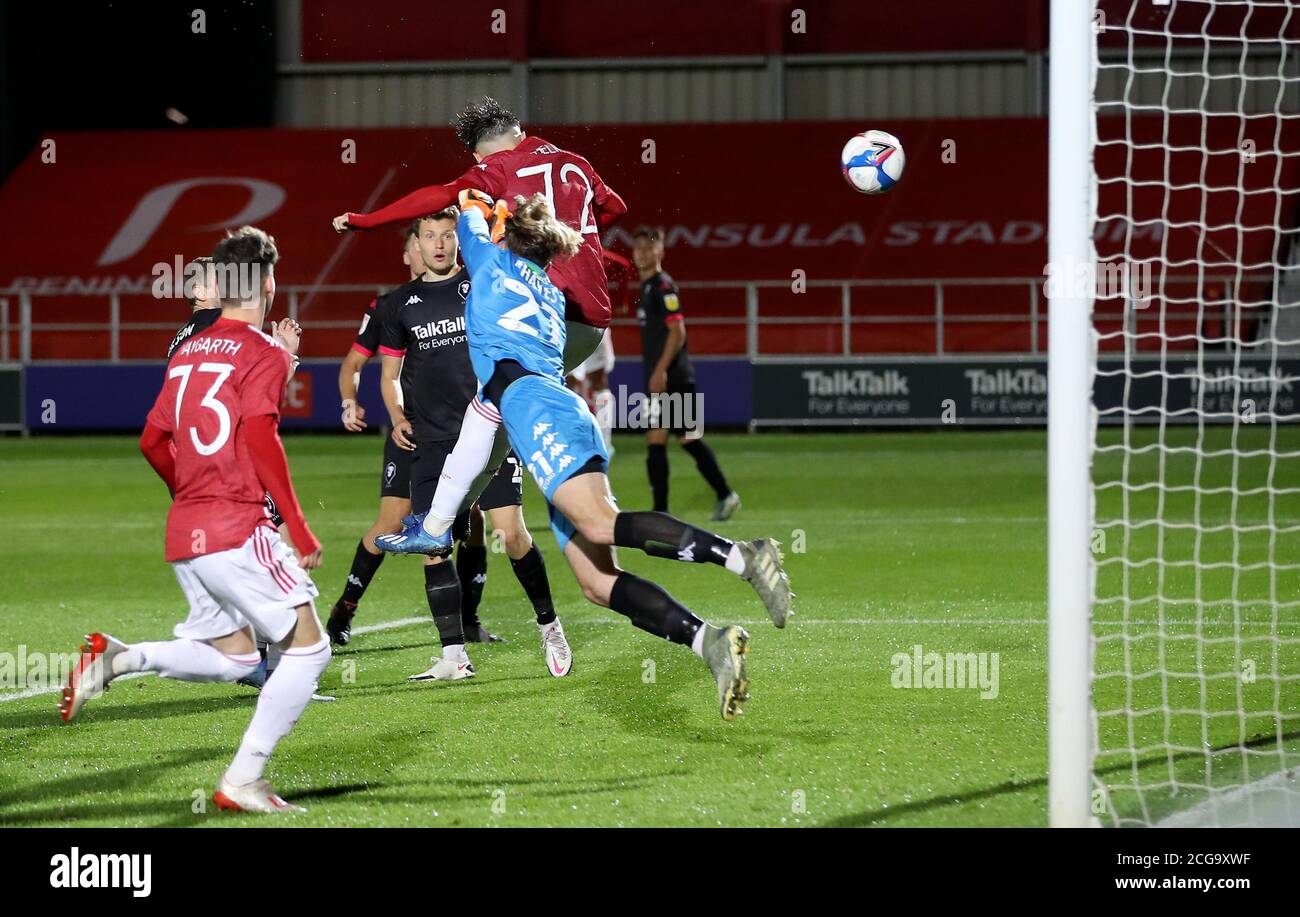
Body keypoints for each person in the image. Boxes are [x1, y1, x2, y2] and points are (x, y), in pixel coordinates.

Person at [379, 193, 793, 720]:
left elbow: (466, 211)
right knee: (598, 585)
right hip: (548, 409)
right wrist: (438, 521)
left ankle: (743, 556)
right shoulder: (550, 296)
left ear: (505, 239)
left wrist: (475, 199)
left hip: (538, 411)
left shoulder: (488, 264)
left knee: (600, 524)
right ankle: (708, 643)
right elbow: (478, 429)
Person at [60, 226, 331, 813]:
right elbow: (260, 434)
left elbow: (152, 440)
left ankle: (123, 658)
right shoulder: (261, 350)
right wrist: (298, 525)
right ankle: (244, 779)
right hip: (236, 526)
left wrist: (191, 492)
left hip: (187, 528)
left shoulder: (189, 350)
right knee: (310, 650)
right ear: (267, 283)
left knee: (237, 656)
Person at [332, 97, 627, 546]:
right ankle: (454, 515)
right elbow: (615, 208)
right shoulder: (576, 163)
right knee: (499, 416)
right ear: (518, 129)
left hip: (545, 313)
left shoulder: (499, 167)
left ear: (477, 155)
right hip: (592, 318)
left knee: (487, 410)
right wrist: (581, 240)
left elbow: (438, 196)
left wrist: (365, 220)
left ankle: (438, 524)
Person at [375, 208, 570, 679]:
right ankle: (453, 658)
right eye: (429, 236)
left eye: (447, 234)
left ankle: (549, 626)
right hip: (432, 436)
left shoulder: (482, 281)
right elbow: (389, 375)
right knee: (434, 545)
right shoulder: (397, 305)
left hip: (491, 431)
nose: (440, 243)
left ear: (458, 242)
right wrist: (398, 414)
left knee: (511, 532)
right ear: (416, 245)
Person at [632, 227, 740, 520]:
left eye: (648, 247)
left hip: (672, 377)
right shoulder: (647, 288)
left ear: (660, 252)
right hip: (663, 376)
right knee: (673, 438)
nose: (642, 252)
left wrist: (660, 371)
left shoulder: (663, 287)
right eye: (638, 247)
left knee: (675, 438)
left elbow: (677, 331)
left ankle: (666, 510)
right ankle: (716, 496)